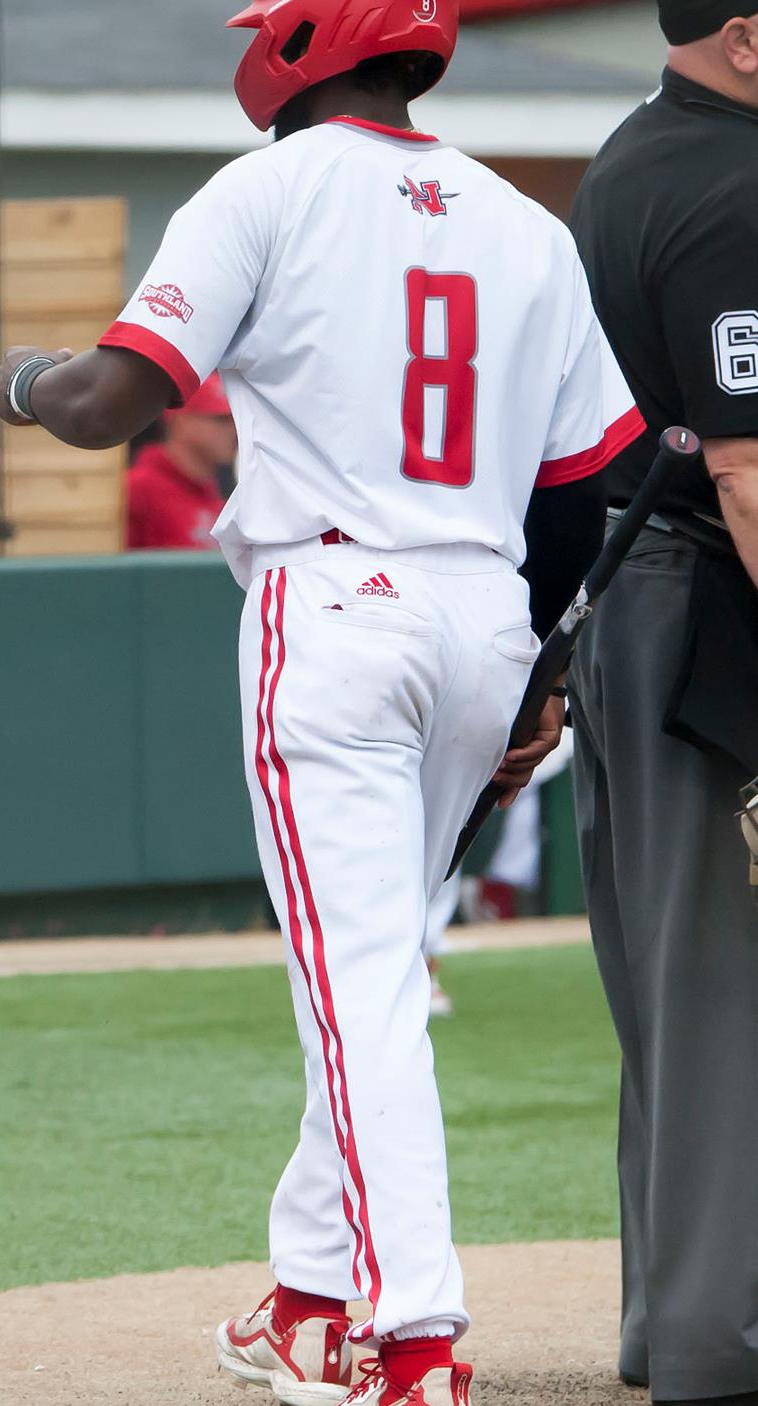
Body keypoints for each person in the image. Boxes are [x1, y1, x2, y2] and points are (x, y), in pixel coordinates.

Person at [0, 2, 638, 1402]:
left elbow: (114, 400)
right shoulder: (526, 222)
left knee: (360, 996)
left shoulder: (265, 189)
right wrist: (542, 671)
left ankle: (412, 1339)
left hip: (338, 609)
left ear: (304, 41)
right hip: (484, 607)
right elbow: (593, 484)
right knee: (374, 975)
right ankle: (305, 1290)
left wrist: (22, 383)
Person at [566, 3, 758, 1400]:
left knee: (674, 985)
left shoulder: (630, 155)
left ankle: (668, 1321)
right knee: (719, 989)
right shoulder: (734, 184)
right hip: (704, 599)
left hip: (623, 594)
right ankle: (718, 1343)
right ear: (746, 39)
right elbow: (749, 468)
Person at [126, 373, 237, 550]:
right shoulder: (137, 489)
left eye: (236, 420)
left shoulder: (214, 494)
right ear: (182, 419)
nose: (235, 431)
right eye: (221, 419)